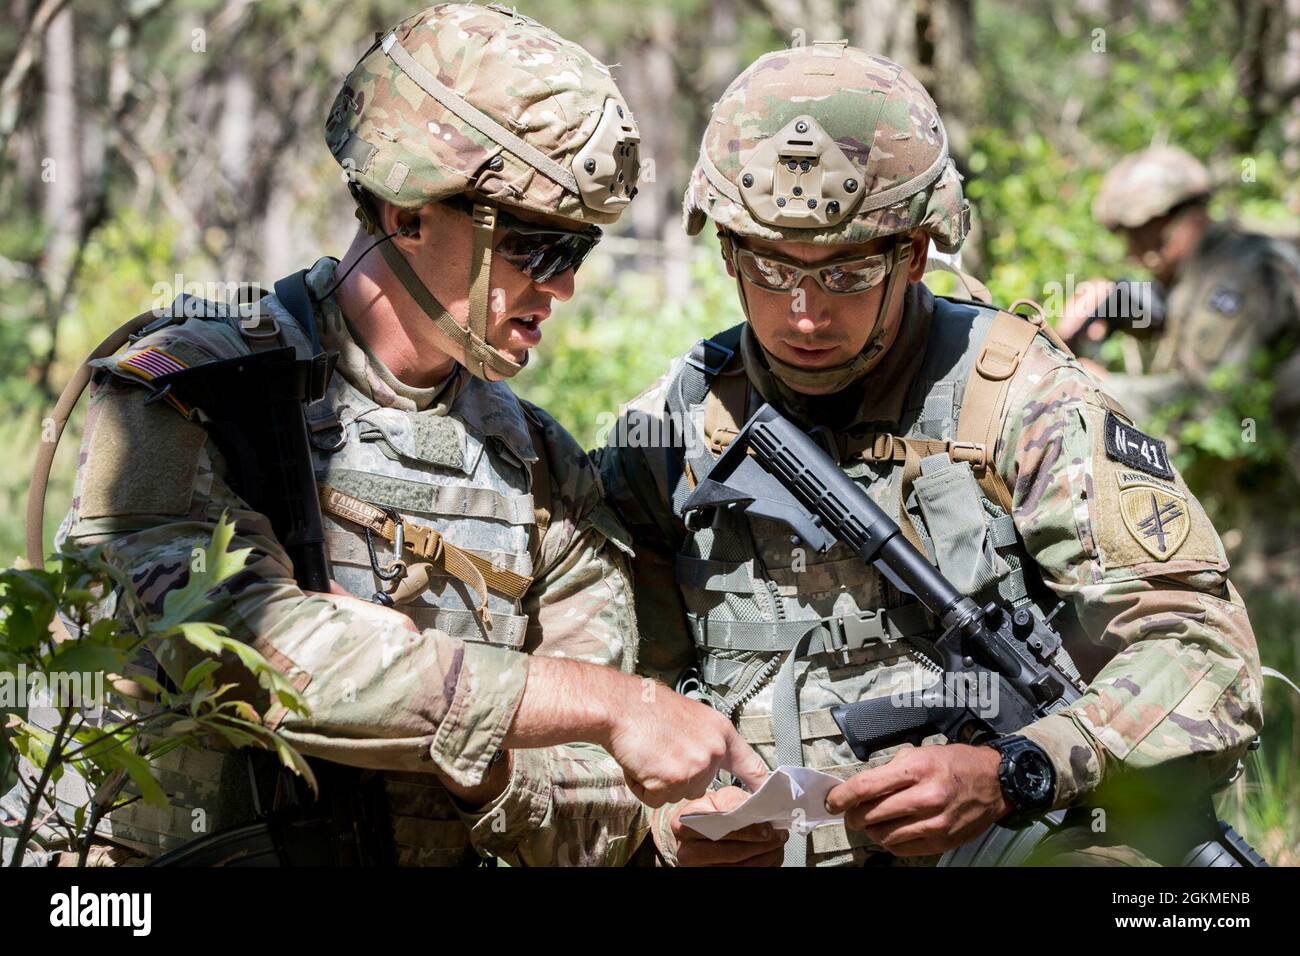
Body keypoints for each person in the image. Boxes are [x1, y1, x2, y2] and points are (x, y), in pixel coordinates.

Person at [15, 2, 764, 867]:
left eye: (577, 254)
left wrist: (490, 763)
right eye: (535, 249)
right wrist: (591, 702)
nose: (560, 291)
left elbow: (602, 813)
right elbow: (249, 656)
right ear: (407, 212)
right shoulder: (191, 393)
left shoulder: (542, 470)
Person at [597, 43, 1264, 867]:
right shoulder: (672, 430)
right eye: (771, 269)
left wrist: (1021, 767)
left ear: (913, 254)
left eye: (845, 274)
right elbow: (602, 685)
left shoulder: (1020, 398)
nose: (803, 315)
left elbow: (1205, 652)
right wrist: (671, 823)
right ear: (728, 252)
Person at [1057, 145, 1300, 424]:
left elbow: (1208, 408)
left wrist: (1097, 386)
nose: (1133, 254)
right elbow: (1170, 305)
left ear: (1176, 220)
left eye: (1139, 236)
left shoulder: (1238, 277)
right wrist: (1114, 301)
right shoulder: (1214, 260)